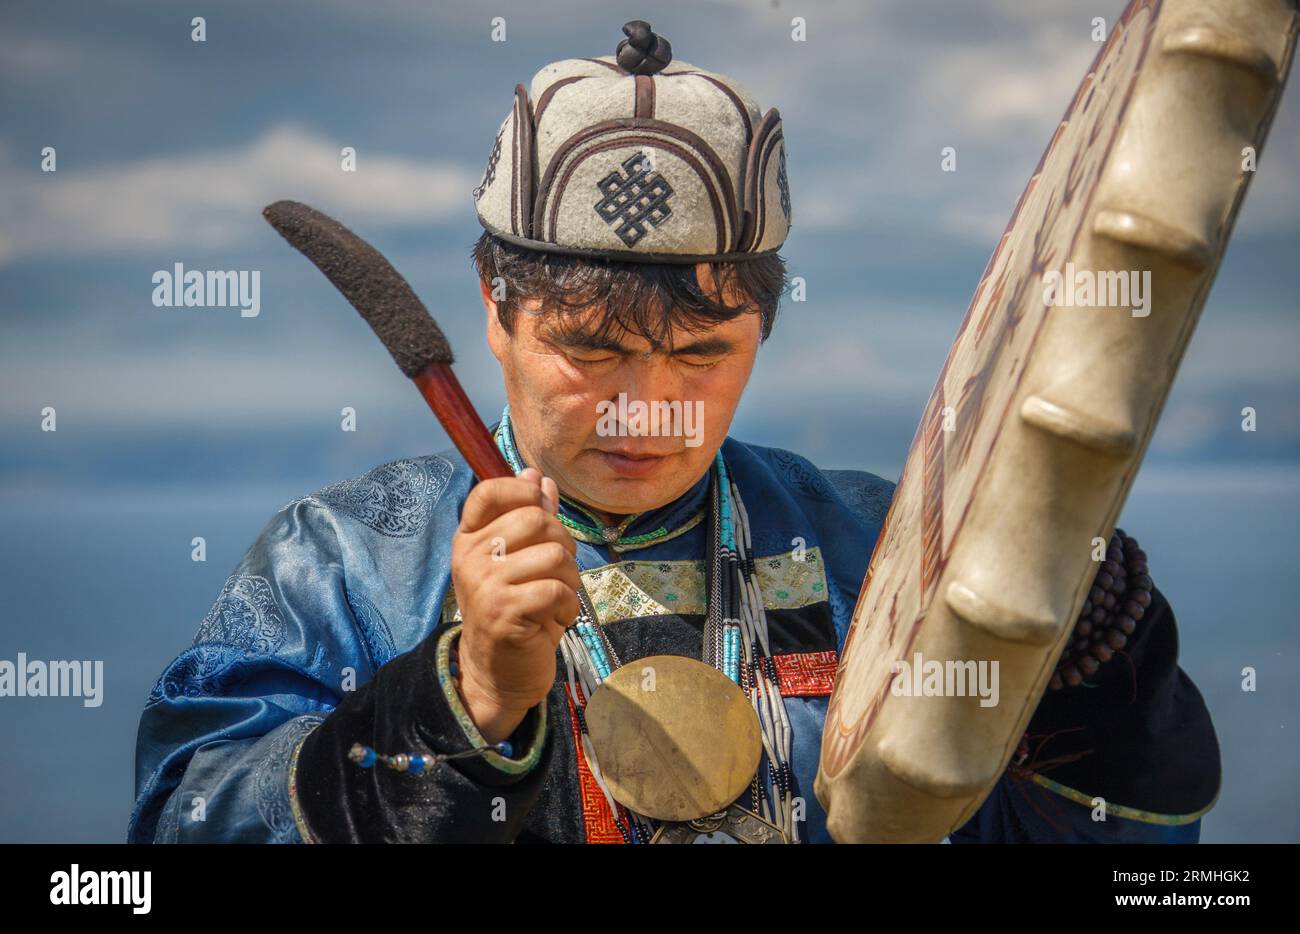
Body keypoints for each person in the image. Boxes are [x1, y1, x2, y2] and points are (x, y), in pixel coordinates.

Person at [128, 20, 1220, 844]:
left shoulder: (880, 552)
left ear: (768, 326)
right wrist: (460, 697)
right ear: (493, 306)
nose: (646, 405)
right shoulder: (344, 562)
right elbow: (180, 823)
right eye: (591, 351)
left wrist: (1107, 693)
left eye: (703, 356)